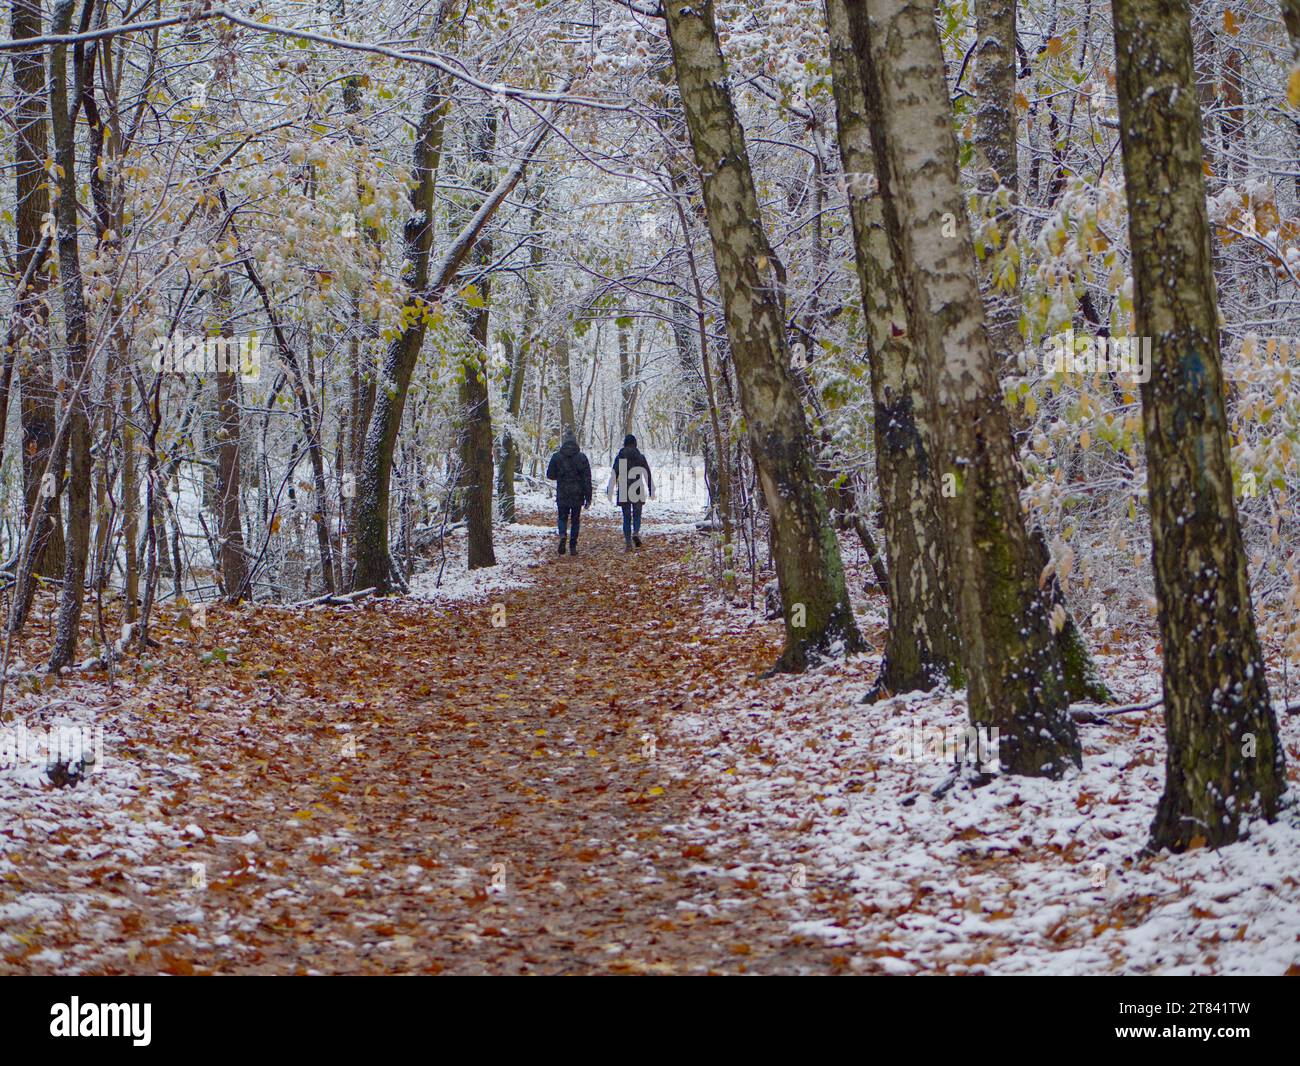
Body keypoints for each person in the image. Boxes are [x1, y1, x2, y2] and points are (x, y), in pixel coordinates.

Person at [546, 427, 592, 555]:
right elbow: (587, 479)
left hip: (563, 492)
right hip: (578, 494)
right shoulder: (582, 457)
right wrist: (588, 497)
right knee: (575, 520)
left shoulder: (557, 457)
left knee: (562, 517)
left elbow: (550, 475)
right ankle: (573, 546)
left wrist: (560, 475)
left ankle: (562, 535)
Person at [609, 433, 653, 551]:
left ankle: (628, 542)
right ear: (635, 444)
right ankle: (636, 532)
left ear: (625, 443)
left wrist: (610, 488)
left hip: (624, 488)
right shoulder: (640, 457)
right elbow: (647, 474)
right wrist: (650, 488)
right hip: (637, 488)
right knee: (637, 514)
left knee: (626, 516)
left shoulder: (620, 457)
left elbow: (614, 473)